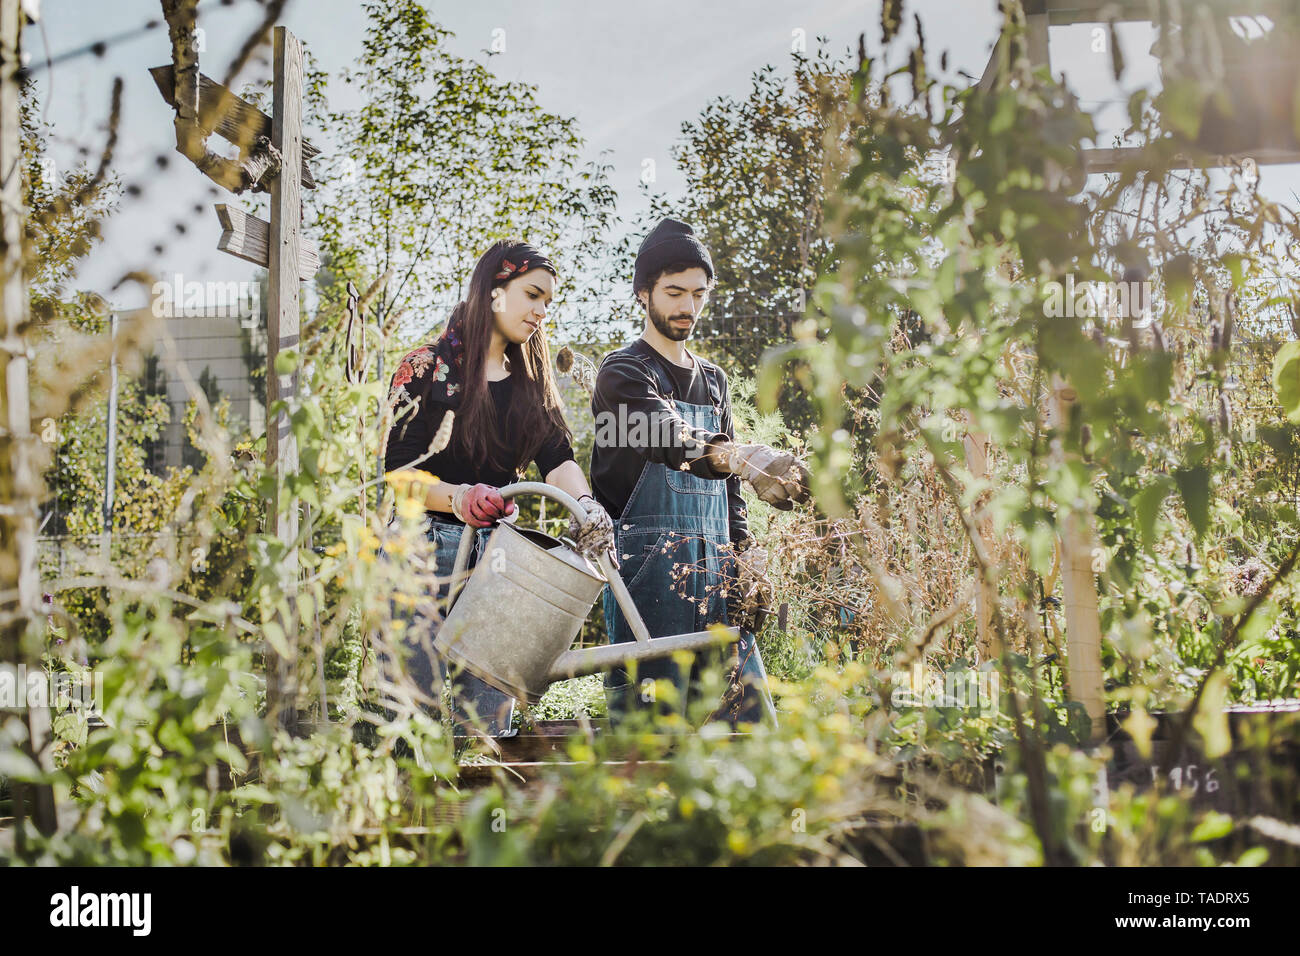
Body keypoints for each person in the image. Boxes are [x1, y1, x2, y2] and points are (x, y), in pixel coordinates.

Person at [382, 239, 613, 736]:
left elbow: (558, 461)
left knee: (484, 728)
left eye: (548, 302)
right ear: (493, 291)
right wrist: (461, 497)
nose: (540, 312)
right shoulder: (423, 368)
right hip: (421, 550)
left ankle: (478, 811)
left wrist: (587, 505)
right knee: (407, 717)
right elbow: (399, 473)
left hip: (500, 561)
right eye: (532, 295)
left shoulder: (530, 383)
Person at [590, 218, 811, 728]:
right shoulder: (623, 373)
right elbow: (663, 435)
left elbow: (731, 498)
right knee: (650, 740)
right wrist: (740, 455)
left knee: (747, 734)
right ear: (643, 292)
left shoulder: (714, 381)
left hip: (718, 581)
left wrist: (747, 554)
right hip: (649, 583)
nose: (687, 307)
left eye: (698, 293)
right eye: (673, 292)